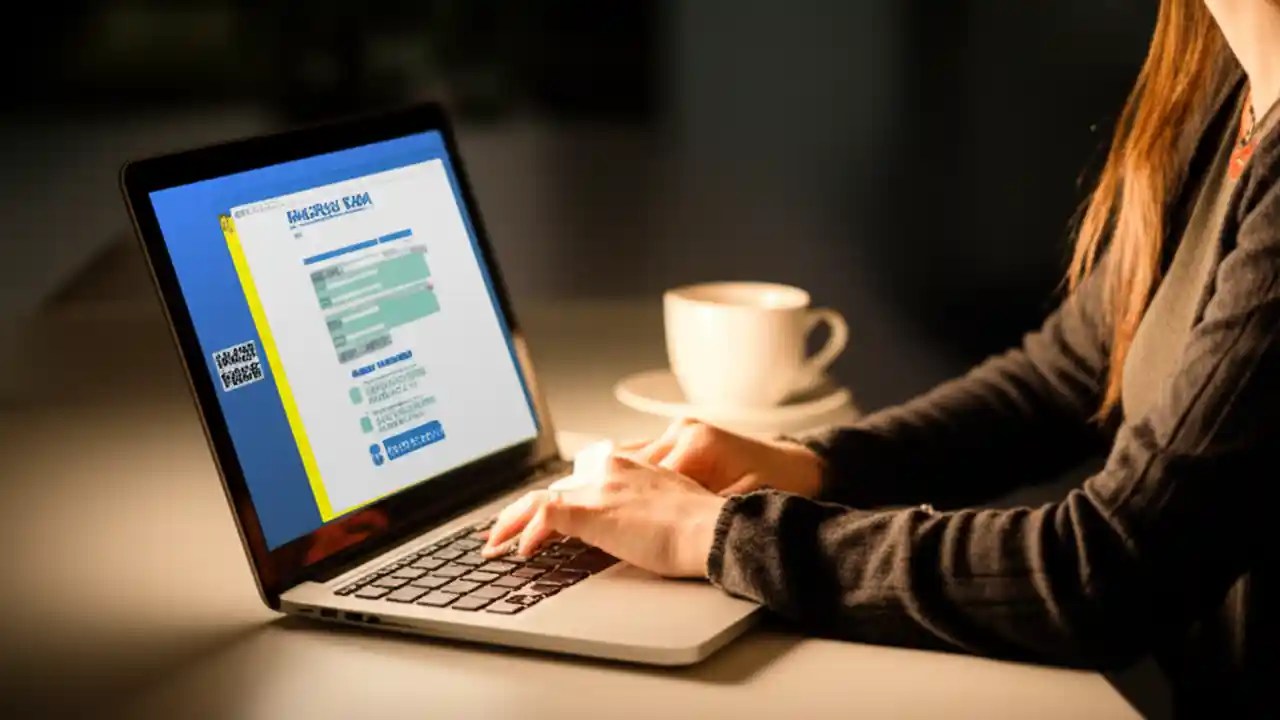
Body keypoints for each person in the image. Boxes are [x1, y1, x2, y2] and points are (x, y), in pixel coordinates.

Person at [482, 0, 1279, 714]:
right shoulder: (1225, 79)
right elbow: (1063, 376)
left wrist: (719, 535)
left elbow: (1103, 573)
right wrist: (813, 466)